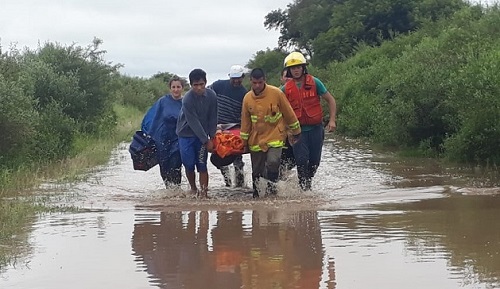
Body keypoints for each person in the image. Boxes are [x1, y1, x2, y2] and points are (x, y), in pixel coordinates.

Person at [240, 68, 301, 198]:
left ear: (264, 81)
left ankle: (272, 192)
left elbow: (288, 112)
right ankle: (257, 195)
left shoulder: (276, 93)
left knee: (273, 162)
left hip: (275, 135)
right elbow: (245, 122)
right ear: (250, 81)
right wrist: (243, 142)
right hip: (256, 139)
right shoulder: (247, 99)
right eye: (254, 83)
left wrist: (296, 131)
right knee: (257, 170)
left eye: (260, 82)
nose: (257, 86)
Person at [282, 51, 337, 191]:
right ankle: (304, 191)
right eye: (293, 68)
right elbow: (276, 109)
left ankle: (307, 184)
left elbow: (330, 100)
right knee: (301, 161)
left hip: (316, 129)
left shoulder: (315, 82)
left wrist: (332, 120)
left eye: (298, 67)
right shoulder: (284, 89)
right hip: (297, 131)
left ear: (303, 68)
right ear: (288, 70)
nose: (296, 70)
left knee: (314, 161)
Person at [176, 69, 218, 198]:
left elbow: (213, 117)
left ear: (205, 83)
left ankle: (204, 193)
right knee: (188, 163)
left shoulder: (212, 96)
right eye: (195, 85)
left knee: (202, 164)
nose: (199, 88)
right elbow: (193, 121)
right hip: (186, 134)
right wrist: (206, 140)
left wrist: (213, 136)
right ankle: (193, 189)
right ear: (191, 85)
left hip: (202, 135)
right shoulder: (187, 99)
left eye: (201, 84)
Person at [208, 65, 248, 188]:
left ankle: (240, 185)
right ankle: (227, 181)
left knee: (237, 156)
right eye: (234, 78)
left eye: (239, 78)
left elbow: (245, 113)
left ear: (243, 77)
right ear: (229, 77)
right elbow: (206, 96)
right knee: (219, 155)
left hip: (235, 128)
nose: (236, 81)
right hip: (218, 127)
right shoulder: (218, 85)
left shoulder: (244, 94)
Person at [141, 75, 184, 188]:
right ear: (170, 88)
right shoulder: (163, 101)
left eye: (178, 87)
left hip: (179, 138)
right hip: (163, 139)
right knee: (164, 166)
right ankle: (168, 190)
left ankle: (177, 190)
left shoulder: (186, 103)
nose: (176, 90)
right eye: (173, 87)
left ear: (182, 88)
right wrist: (149, 135)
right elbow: (154, 117)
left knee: (175, 164)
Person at [279, 67, 296, 180]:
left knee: (296, 158)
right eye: (286, 76)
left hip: (296, 131)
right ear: (282, 79)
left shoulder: (298, 91)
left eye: (291, 76)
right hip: (282, 133)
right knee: (281, 159)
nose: (289, 78)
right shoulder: (278, 93)